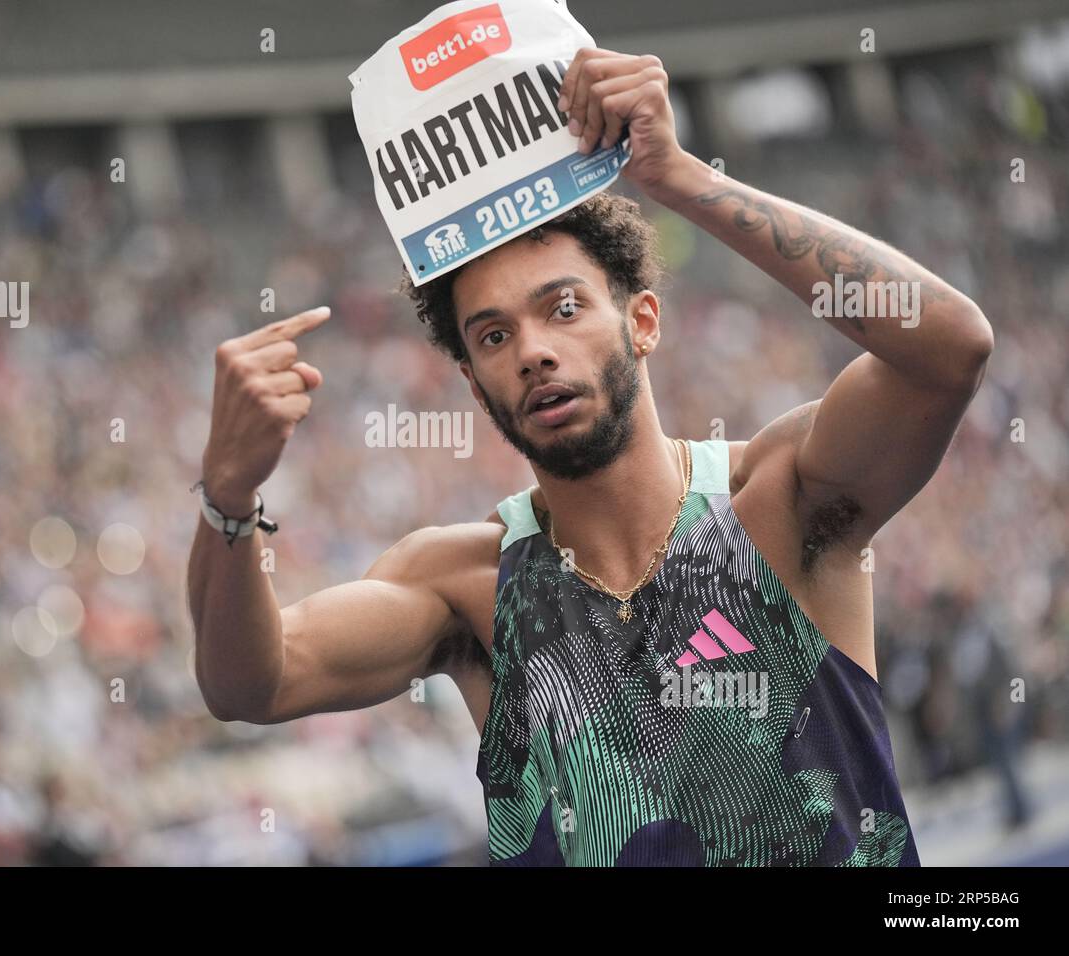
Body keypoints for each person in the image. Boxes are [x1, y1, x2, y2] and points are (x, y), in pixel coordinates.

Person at [187, 48, 993, 866]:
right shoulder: (466, 590)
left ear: (643, 321)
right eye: (494, 335)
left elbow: (949, 351)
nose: (532, 351)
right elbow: (249, 683)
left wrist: (679, 179)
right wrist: (229, 493)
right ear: (472, 383)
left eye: (563, 308)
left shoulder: (782, 496)